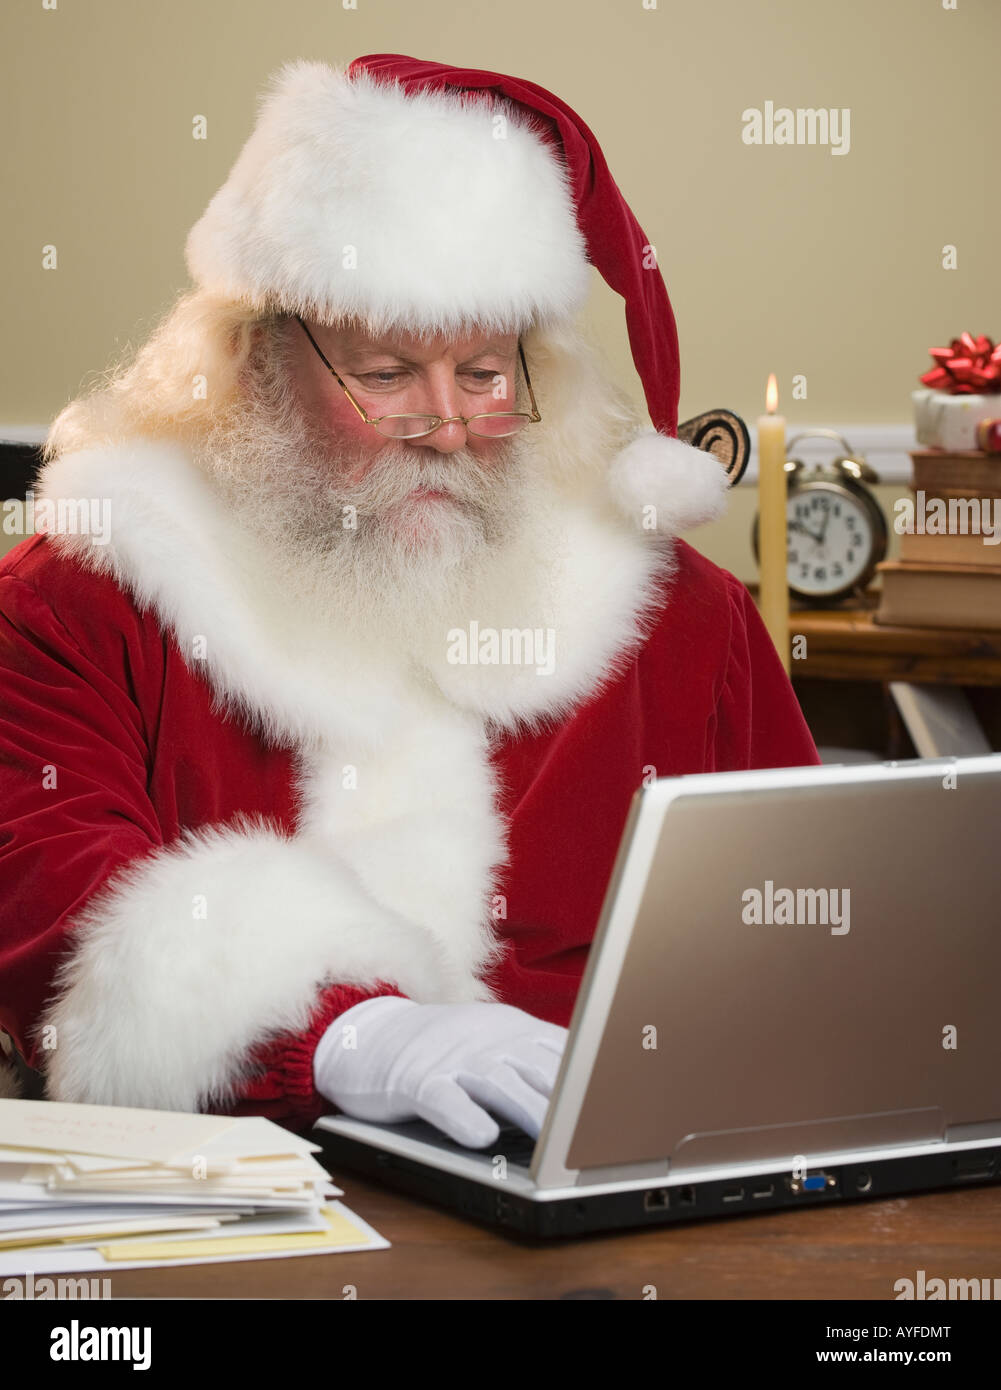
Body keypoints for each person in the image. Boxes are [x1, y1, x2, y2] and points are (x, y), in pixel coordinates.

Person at [0, 55, 820, 1143]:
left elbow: (804, 937)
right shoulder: (85, 593)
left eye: (484, 372)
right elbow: (43, 886)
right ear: (250, 364)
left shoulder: (681, 621)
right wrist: (354, 1034)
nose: (445, 426)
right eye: (385, 372)